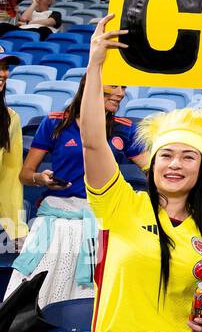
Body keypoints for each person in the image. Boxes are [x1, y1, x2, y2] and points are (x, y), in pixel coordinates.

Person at [68, 15, 202, 332]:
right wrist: (96, 65)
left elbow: (197, 308)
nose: (175, 164)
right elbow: (91, 140)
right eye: (166, 155)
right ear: (151, 165)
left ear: (201, 169)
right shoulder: (122, 202)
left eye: (188, 157)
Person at [9, 75, 148, 306]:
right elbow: (25, 174)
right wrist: (41, 179)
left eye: (124, 87)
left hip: (100, 221)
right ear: (90, 85)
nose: (121, 93)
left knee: (88, 299)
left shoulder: (125, 129)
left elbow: (152, 170)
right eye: (114, 85)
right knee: (30, 293)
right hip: (54, 220)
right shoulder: (55, 122)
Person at [0, 45, 23, 247]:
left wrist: (16, 229)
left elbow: (10, 179)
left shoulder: (10, 119)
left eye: (5, 67)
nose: (3, 73)